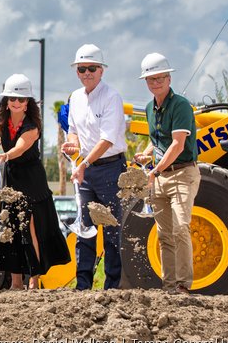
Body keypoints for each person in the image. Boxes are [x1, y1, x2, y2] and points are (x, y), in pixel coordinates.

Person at [0, 74, 70, 290]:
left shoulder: (32, 126)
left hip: (31, 180)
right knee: (11, 227)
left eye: (21, 99)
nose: (16, 102)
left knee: (32, 228)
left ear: (28, 103)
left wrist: (5, 155)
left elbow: (20, 148)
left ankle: (34, 279)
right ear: (6, 101)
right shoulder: (2, 121)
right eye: (12, 98)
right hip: (11, 179)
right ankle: (15, 282)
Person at [61, 44, 127, 290]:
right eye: (82, 69)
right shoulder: (75, 98)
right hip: (85, 169)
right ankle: (83, 285)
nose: (87, 73)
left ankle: (111, 287)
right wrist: (71, 147)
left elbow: (107, 139)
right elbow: (73, 132)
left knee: (111, 229)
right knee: (85, 229)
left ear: (101, 71)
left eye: (92, 68)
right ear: (76, 71)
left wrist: (83, 164)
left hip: (110, 168)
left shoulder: (112, 97)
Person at [133, 53, 199, 294]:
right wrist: (146, 154)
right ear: (146, 82)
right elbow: (157, 141)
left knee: (181, 228)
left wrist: (155, 170)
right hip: (161, 176)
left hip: (182, 173)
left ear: (169, 78)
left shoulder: (180, 105)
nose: (156, 82)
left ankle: (183, 285)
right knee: (164, 234)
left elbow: (178, 145)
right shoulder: (151, 108)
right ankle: (169, 286)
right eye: (151, 78)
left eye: (160, 77)